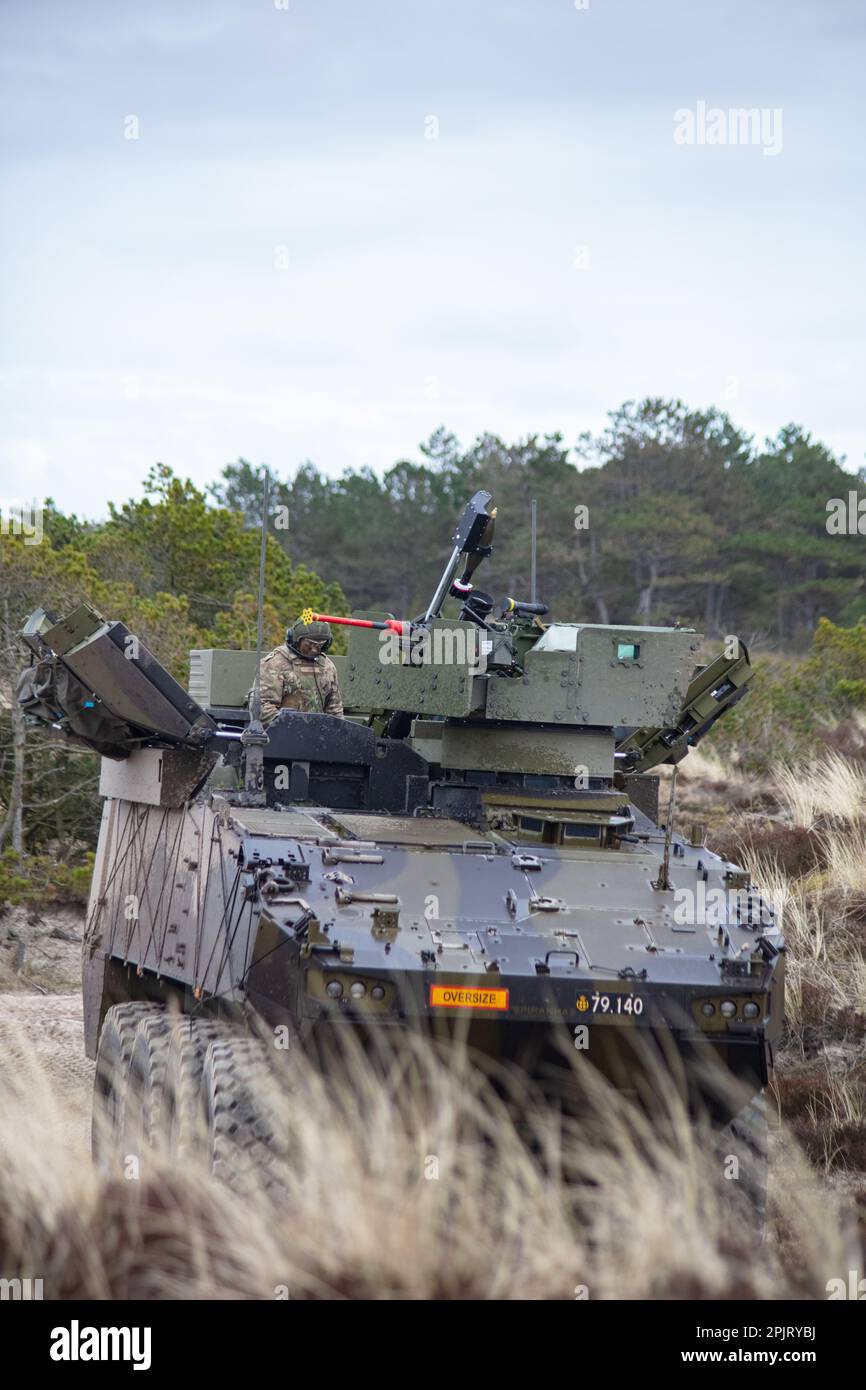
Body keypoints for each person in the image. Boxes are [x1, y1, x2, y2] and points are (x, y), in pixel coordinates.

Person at [251, 618, 344, 726]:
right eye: (309, 645)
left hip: (318, 735)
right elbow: (262, 707)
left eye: (320, 645)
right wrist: (294, 726)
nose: (314, 650)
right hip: (283, 734)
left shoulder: (327, 666)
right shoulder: (275, 664)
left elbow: (334, 710)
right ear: (296, 640)